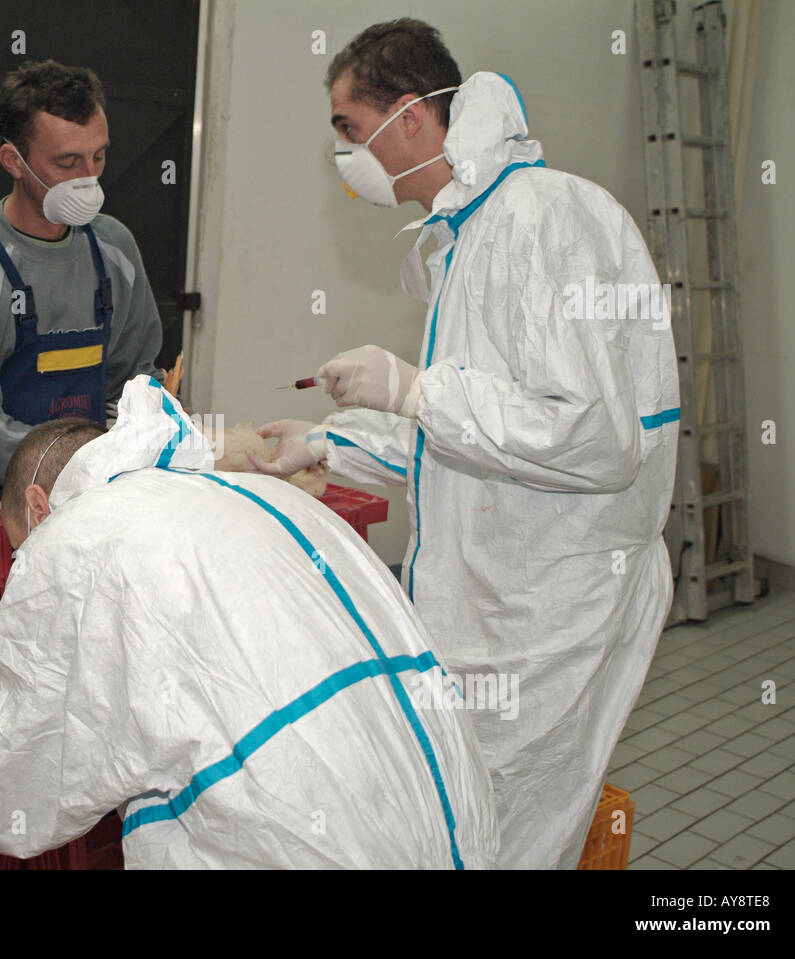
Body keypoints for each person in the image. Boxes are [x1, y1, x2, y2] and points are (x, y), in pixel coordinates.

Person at [250, 20, 678, 869]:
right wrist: (328, 445)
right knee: (465, 825)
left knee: (501, 840)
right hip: (495, 601)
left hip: (550, 611)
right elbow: (470, 442)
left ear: (409, 117)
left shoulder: (548, 220)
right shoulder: (472, 235)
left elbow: (592, 435)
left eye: (347, 128)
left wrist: (416, 387)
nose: (342, 156)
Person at [0, 376, 499, 869]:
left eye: (21, 547)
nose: (24, 563)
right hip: (460, 826)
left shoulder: (73, 543)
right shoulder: (261, 498)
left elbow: (16, 784)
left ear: (39, 507)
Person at [0, 60, 163, 627]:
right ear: (14, 160)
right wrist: (84, 466)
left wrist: (117, 465)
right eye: (67, 162)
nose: (89, 178)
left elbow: (134, 382)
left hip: (95, 512)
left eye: (98, 157)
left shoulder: (114, 248)